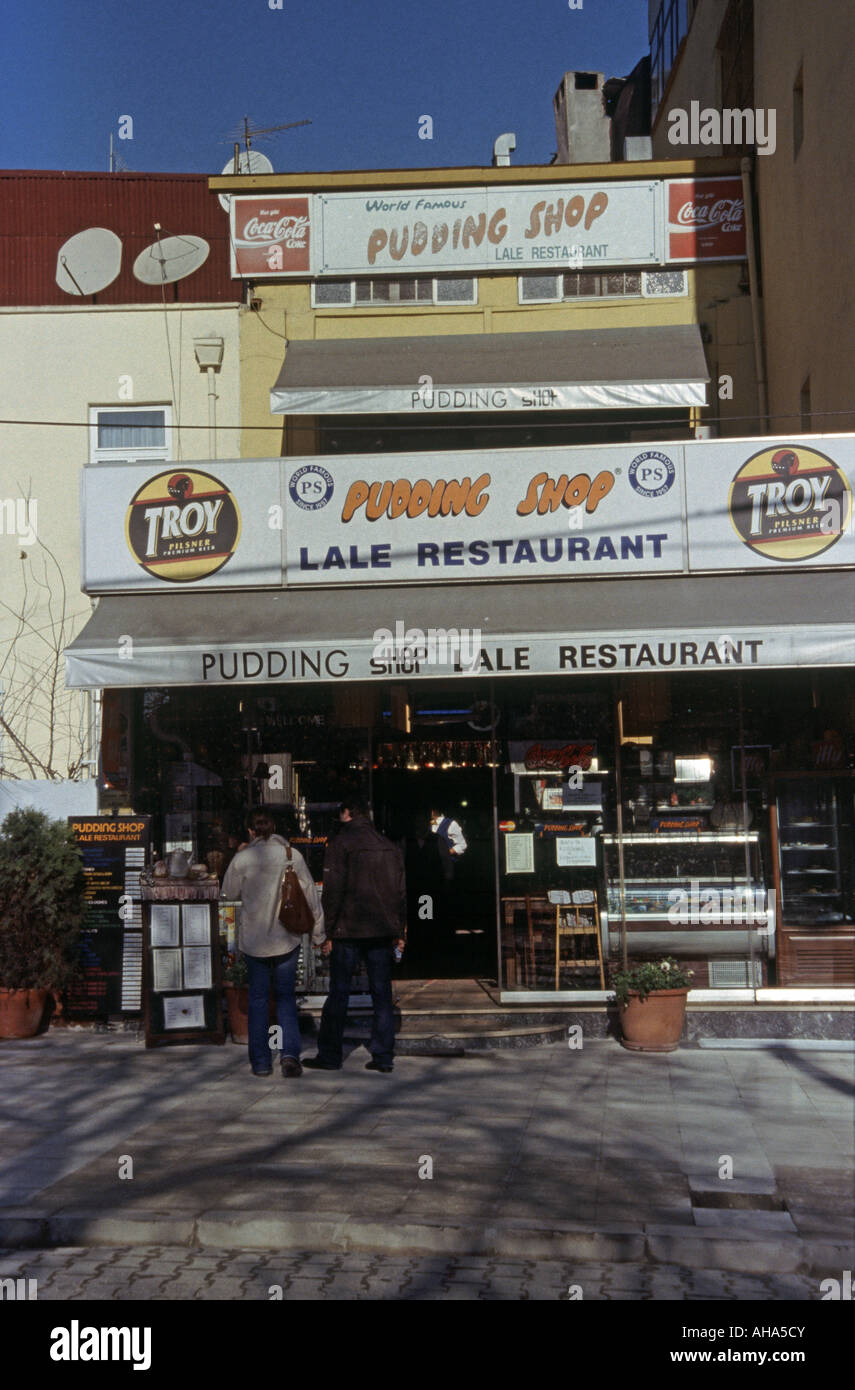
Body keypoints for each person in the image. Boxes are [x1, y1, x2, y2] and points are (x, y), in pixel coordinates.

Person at [303, 796, 406, 1074]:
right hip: (381, 928)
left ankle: (330, 1054)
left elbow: (333, 891)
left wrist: (326, 931)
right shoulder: (389, 846)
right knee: (382, 994)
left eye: (341, 813)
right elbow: (400, 893)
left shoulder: (340, 844)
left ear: (347, 813)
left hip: (348, 928)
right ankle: (383, 1055)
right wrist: (399, 929)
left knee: (339, 993)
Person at [221, 808, 324, 1079]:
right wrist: (319, 935)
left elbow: (227, 892)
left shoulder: (243, 859)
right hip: (286, 938)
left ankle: (261, 1061)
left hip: (254, 941)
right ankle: (290, 1056)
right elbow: (311, 895)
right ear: (275, 827)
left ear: (251, 830)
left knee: (257, 1000)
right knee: (286, 999)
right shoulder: (292, 855)